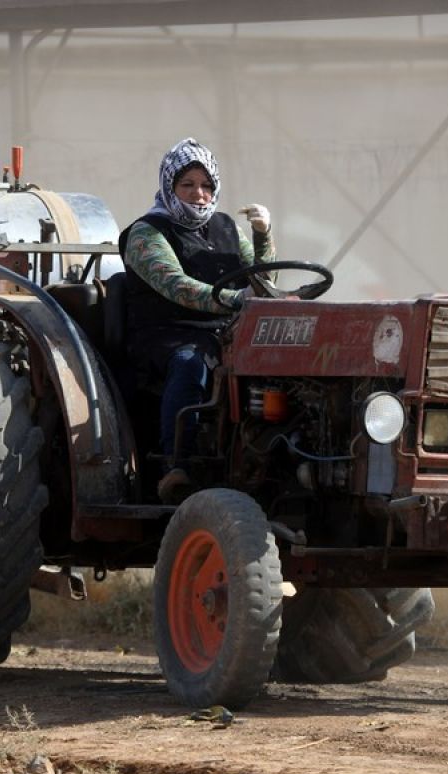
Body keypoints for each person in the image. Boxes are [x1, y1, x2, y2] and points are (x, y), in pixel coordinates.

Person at [117, 138, 276, 503]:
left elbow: (262, 282)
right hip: (167, 333)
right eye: (187, 185)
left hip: (225, 331)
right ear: (169, 187)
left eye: (206, 185)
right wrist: (235, 300)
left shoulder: (227, 228)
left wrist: (263, 237)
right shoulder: (147, 232)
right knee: (192, 363)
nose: (198, 194)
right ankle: (179, 464)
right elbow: (176, 286)